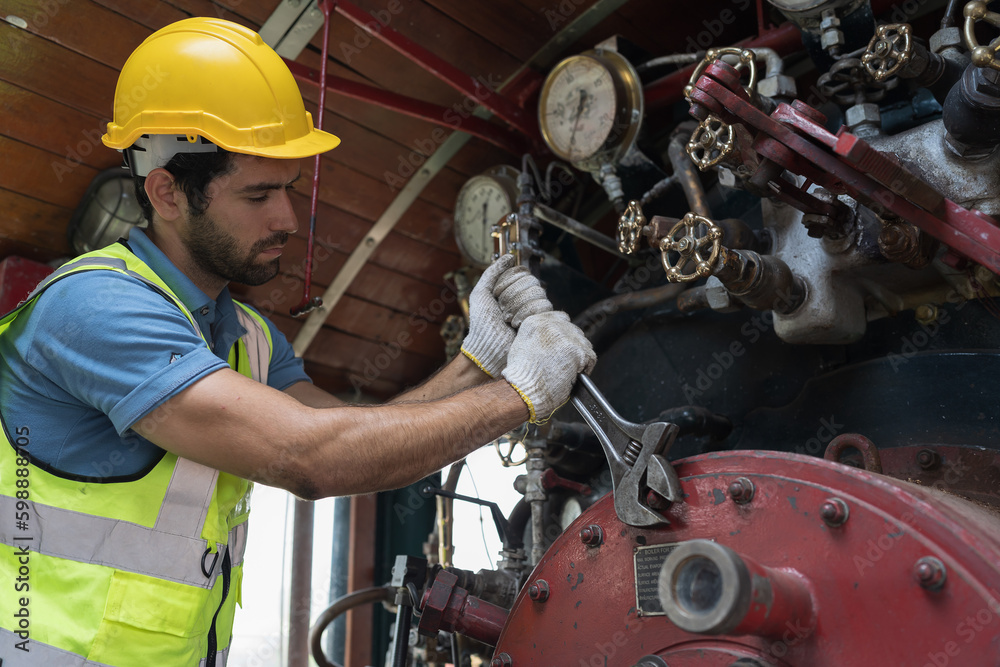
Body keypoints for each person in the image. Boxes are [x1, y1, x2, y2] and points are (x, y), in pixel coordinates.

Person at [0, 17, 595, 666]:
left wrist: (475, 362)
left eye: (288, 189)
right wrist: (522, 395)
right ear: (166, 190)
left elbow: (352, 437)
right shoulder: (95, 307)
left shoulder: (247, 336)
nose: (287, 218)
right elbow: (309, 458)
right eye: (258, 194)